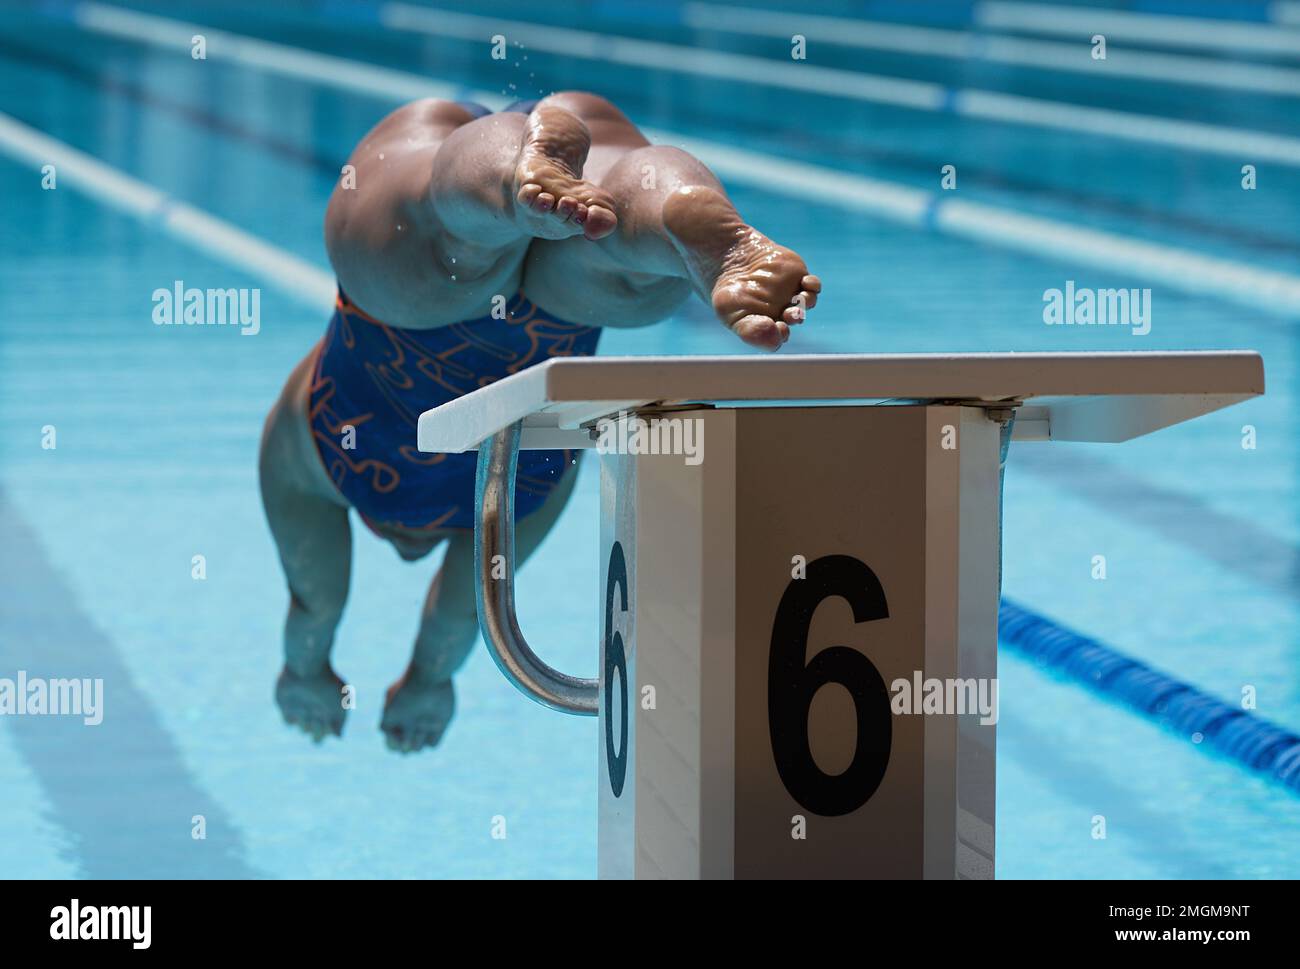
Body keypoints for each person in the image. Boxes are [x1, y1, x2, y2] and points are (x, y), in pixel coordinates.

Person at [259, 92, 820, 752]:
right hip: (463, 319)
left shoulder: (493, 499)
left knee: (473, 247)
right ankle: (663, 206)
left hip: (496, 335)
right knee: (514, 236)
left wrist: (330, 674)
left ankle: (521, 177)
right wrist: (408, 678)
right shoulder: (306, 456)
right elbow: (426, 615)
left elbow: (334, 607)